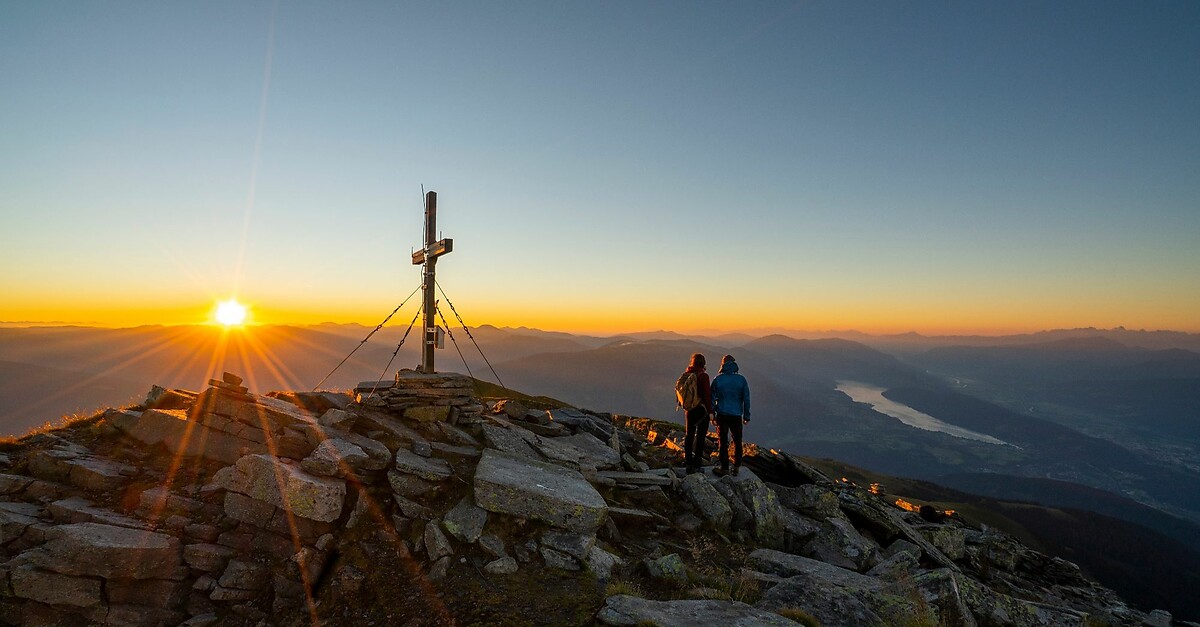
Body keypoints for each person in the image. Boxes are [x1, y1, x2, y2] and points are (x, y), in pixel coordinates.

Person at [711, 354, 751, 476]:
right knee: (737, 440)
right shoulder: (741, 380)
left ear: (722, 365)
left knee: (723, 441)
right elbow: (746, 399)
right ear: (734, 364)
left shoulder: (717, 380)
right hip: (736, 415)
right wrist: (746, 416)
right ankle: (736, 466)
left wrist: (712, 414)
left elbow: (712, 398)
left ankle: (724, 468)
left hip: (722, 414)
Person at [679, 353, 713, 474]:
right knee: (700, 437)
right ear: (703, 363)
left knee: (689, 435)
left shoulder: (686, 375)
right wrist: (710, 412)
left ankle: (688, 463)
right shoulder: (703, 376)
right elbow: (707, 396)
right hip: (701, 410)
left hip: (689, 410)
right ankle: (697, 465)